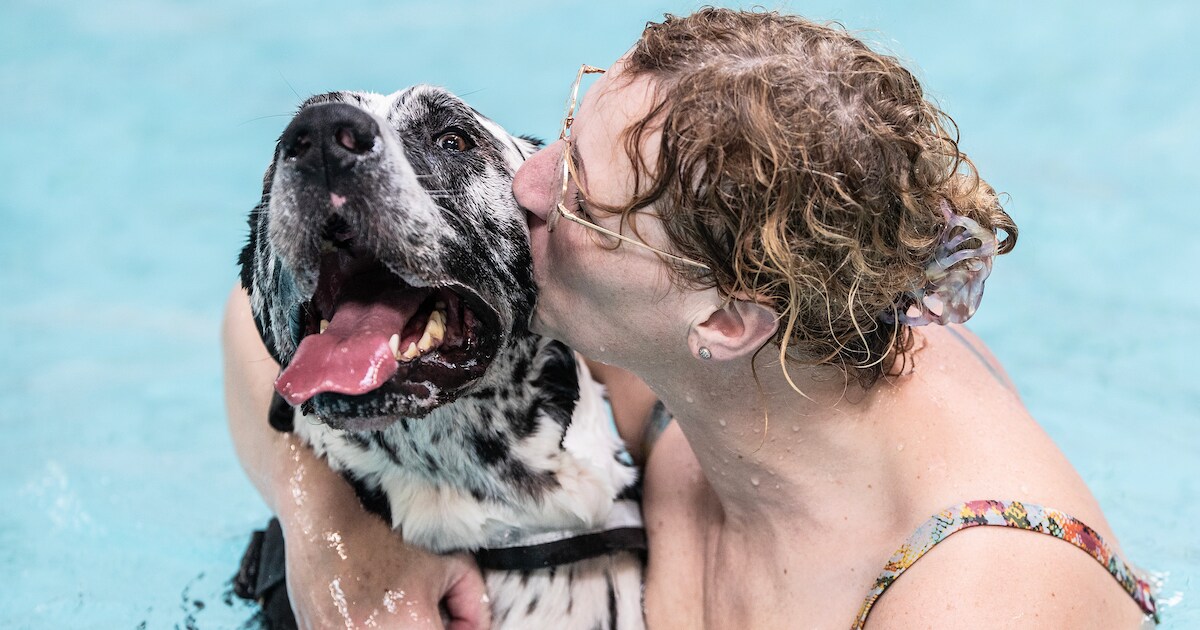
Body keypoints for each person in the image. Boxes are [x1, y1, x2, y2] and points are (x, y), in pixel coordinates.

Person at [223, 8, 1159, 628]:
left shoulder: (971, 597)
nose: (527, 184)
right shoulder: (706, 359)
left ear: (727, 318)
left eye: (582, 193)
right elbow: (256, 314)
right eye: (564, 133)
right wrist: (335, 537)